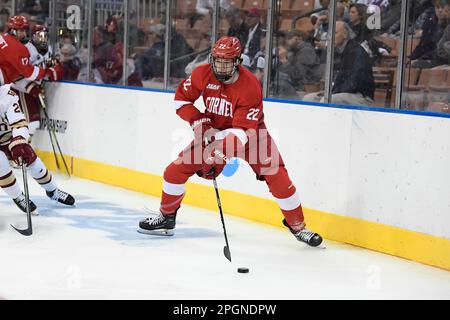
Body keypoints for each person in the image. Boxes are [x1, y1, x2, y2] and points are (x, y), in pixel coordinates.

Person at [138, 36, 323, 247]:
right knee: (173, 172)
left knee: (279, 179)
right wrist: (199, 121)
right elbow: (181, 100)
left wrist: (216, 155)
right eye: (217, 60)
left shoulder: (250, 86)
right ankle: (166, 218)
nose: (221, 66)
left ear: (237, 62)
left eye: (226, 62)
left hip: (253, 136)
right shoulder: (202, 73)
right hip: (215, 133)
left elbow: (243, 134)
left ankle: (299, 227)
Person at [0, 16, 75, 214]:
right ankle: (18, 197)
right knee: (0, 164)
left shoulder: (5, 93)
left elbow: (19, 122)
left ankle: (52, 190)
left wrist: (19, 140)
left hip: (6, 134)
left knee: (30, 158)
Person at [304, 21, 375, 106]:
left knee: (327, 100)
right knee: (308, 99)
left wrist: (334, 92)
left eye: (335, 33)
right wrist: (331, 91)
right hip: (342, 93)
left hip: (361, 97)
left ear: (345, 35)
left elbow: (354, 83)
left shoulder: (356, 52)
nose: (331, 37)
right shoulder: (339, 52)